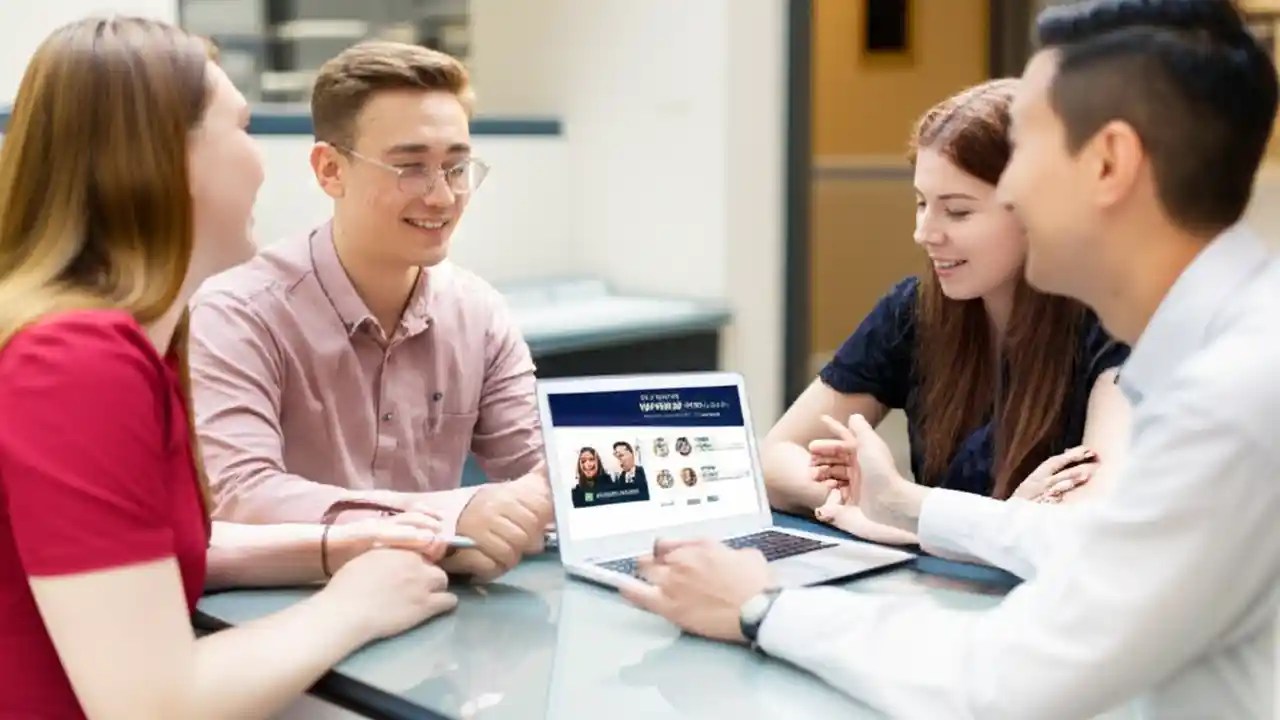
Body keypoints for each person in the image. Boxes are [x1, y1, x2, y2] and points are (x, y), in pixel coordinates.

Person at [625, 1, 1280, 717]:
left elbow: (1008, 681)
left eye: (1024, 149)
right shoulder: (1228, 356)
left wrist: (762, 606)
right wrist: (907, 506)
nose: (1013, 189)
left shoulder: (1234, 401)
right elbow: (1097, 547)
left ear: (1108, 163)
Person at [0, 17, 459, 719]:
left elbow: (128, 566)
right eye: (242, 128)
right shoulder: (77, 366)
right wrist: (353, 606)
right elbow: (151, 705)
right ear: (163, 157)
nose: (262, 162)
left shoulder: (132, 347)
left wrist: (337, 546)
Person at [188, 41, 551, 583]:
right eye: (411, 168)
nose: (442, 197)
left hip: (430, 602)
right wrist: (448, 519)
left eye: (456, 167)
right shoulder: (237, 314)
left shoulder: (478, 314)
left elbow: (544, 473)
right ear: (331, 170)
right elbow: (240, 497)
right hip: (291, 607)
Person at [763, 79, 1131, 545]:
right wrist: (885, 509)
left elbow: (1087, 523)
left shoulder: (1119, 321)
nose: (925, 233)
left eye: (957, 212)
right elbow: (775, 457)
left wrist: (902, 506)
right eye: (922, 204)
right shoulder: (912, 311)